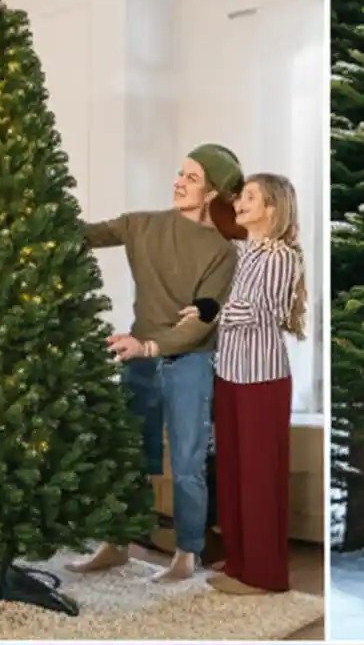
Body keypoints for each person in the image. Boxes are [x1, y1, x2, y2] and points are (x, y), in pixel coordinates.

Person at [67, 144, 243, 581]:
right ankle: (116, 543)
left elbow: (198, 326)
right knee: (129, 454)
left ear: (212, 193)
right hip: (139, 360)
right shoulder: (141, 224)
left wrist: (147, 347)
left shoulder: (222, 253)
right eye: (180, 172)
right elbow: (79, 234)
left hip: (189, 363)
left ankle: (187, 553)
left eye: (192, 178)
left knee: (186, 463)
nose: (179, 182)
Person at [184, 173, 307, 595]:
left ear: (272, 208)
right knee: (233, 471)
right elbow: (214, 229)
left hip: (262, 379)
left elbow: (259, 313)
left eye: (251, 197)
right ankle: (239, 560)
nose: (241, 204)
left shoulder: (280, 256)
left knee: (258, 475)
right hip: (231, 373)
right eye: (242, 197)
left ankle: (265, 574)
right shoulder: (243, 251)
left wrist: (210, 312)